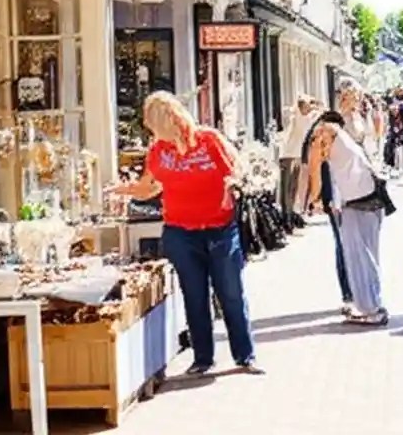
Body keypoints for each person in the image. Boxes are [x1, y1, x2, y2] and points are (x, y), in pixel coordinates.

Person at [108, 91, 257, 375]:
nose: (150, 130)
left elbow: (236, 169)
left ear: (168, 120)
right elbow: (150, 187)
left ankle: (244, 355)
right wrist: (122, 190)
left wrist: (231, 186)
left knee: (231, 292)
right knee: (194, 294)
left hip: (220, 229)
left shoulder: (208, 140)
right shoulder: (158, 151)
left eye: (152, 123)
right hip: (180, 231)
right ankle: (203, 358)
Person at [306, 111, 390, 326]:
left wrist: (311, 200)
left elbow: (315, 174)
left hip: (356, 202)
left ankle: (370, 309)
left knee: (357, 257)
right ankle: (374, 304)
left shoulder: (321, 137)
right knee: (369, 256)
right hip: (371, 197)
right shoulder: (343, 138)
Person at [280, 95, 318, 216]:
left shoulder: (307, 119)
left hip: (298, 154)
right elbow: (293, 110)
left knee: (294, 187)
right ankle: (286, 214)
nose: (309, 109)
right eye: (306, 107)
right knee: (287, 186)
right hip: (288, 154)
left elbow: (320, 110)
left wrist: (314, 103)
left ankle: (291, 213)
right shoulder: (296, 117)